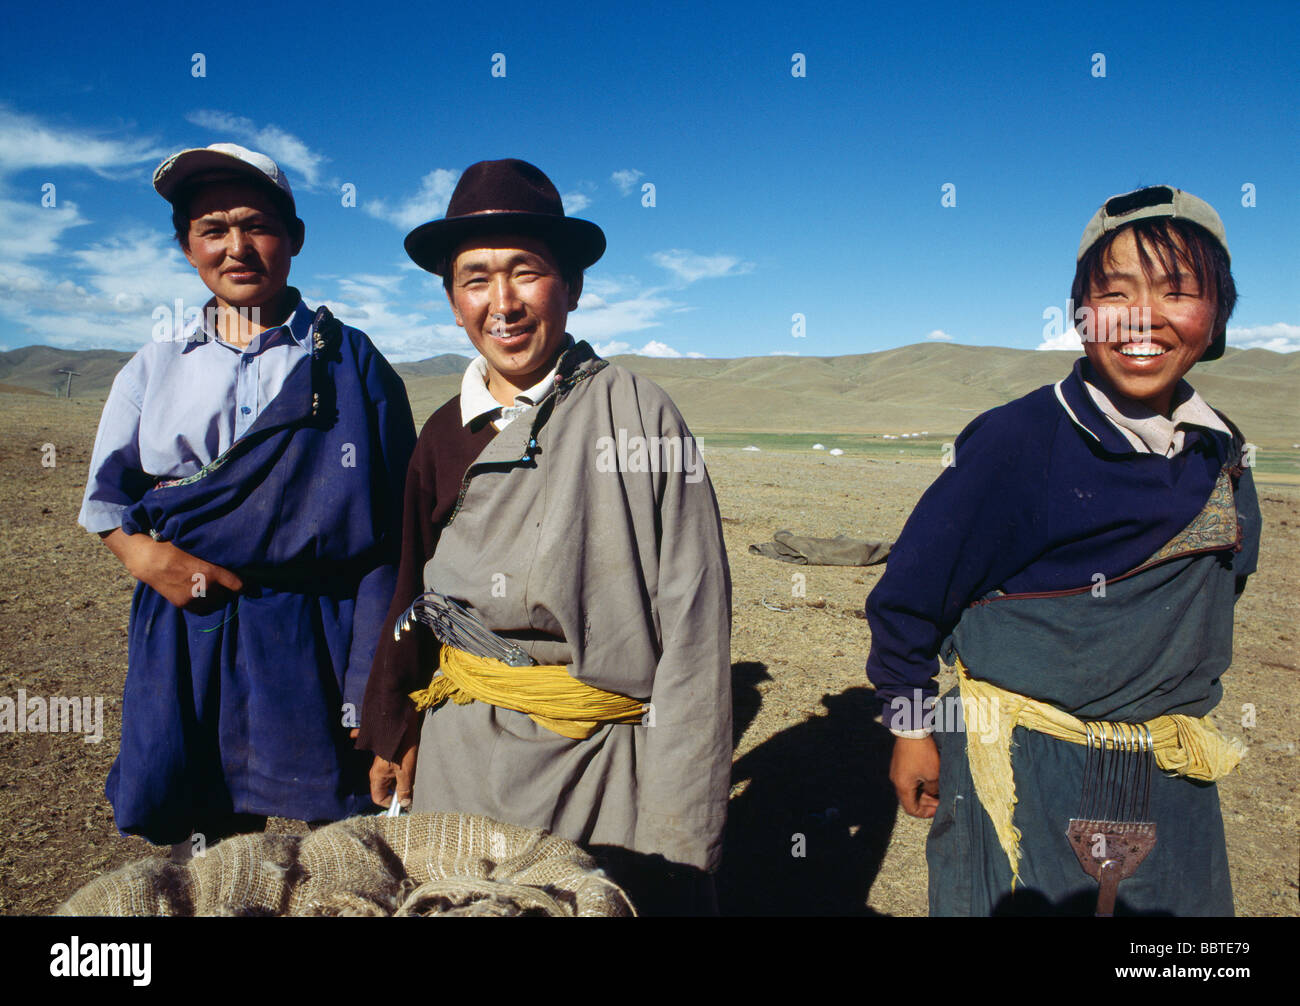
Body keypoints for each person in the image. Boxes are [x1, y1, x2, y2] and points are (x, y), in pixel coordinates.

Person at [865, 186, 1260, 916]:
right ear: (1080, 314)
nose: (1143, 317)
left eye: (1178, 292)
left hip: (1168, 771)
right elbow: (910, 600)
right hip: (1023, 766)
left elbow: (1217, 595)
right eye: (1114, 294)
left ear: (1218, 314)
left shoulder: (1223, 453)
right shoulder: (1015, 443)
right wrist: (913, 728)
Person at [357, 158, 732, 913]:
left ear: (573, 286)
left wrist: (680, 825)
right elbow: (411, 589)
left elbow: (695, 630)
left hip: (600, 770)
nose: (503, 303)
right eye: (476, 279)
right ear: (452, 300)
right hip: (460, 756)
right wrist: (395, 722)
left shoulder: (641, 418)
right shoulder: (440, 434)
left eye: (526, 273)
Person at [78, 143, 416, 850]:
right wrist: (150, 562)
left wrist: (372, 681)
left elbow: (391, 535)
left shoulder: (352, 365)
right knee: (206, 832)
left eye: (256, 225)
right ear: (186, 247)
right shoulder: (154, 365)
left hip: (317, 626)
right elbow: (108, 500)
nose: (237, 247)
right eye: (212, 228)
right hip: (190, 624)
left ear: (293, 238)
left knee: (347, 835)